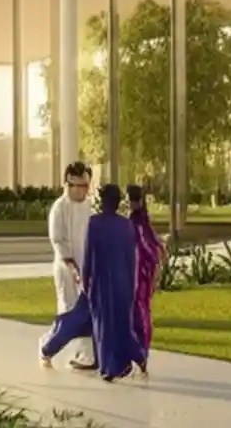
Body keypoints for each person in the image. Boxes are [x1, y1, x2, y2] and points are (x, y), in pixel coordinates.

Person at [83, 183, 145, 382]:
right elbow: (131, 258)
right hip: (122, 280)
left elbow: (88, 255)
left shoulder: (94, 223)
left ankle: (109, 368)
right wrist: (132, 282)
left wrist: (85, 280)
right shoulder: (126, 225)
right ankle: (133, 357)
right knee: (121, 323)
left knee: (103, 325)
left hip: (101, 280)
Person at [40, 161, 96, 371]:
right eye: (78, 186)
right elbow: (58, 241)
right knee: (70, 312)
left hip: (88, 269)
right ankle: (48, 346)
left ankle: (85, 355)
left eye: (85, 185)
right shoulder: (60, 208)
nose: (82, 190)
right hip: (67, 270)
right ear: (68, 185)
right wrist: (73, 268)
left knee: (87, 314)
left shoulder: (90, 207)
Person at [127, 184, 163, 375]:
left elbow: (148, 249)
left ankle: (140, 355)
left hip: (138, 275)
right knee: (141, 313)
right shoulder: (141, 221)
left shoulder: (137, 223)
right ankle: (141, 356)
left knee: (138, 313)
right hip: (141, 274)